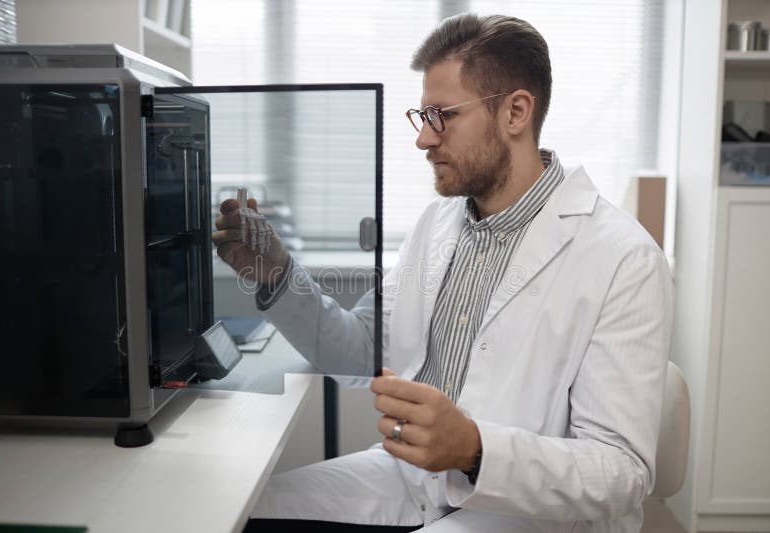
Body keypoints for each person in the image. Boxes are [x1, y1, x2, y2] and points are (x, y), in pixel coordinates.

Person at [212, 13, 674, 533]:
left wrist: (475, 449)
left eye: (443, 116)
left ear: (516, 112)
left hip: (528, 515)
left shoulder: (624, 258)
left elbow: (622, 471)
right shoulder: (438, 223)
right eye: (422, 116)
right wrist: (277, 274)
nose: (424, 139)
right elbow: (360, 353)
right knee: (241, 514)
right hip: (409, 479)